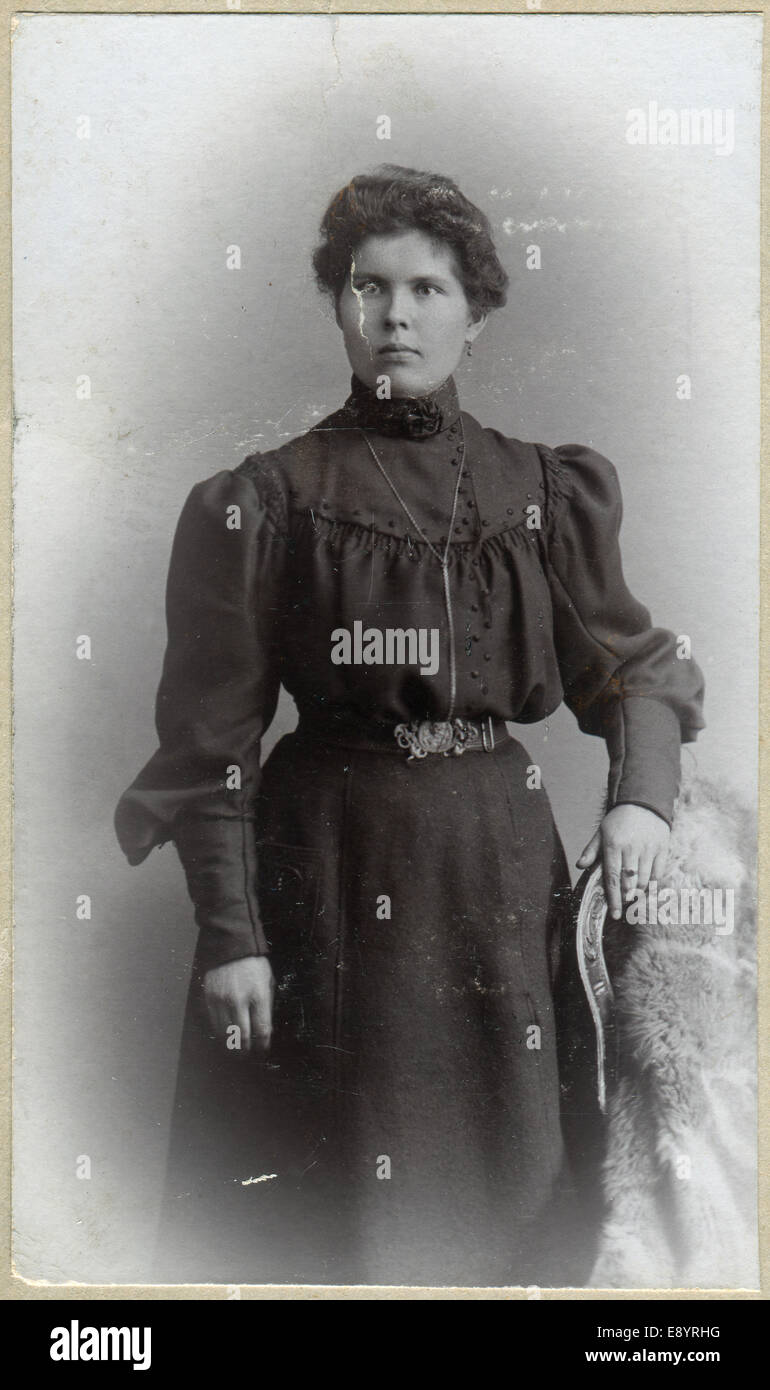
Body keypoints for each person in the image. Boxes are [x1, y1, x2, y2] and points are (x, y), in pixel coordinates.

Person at [115, 165, 705, 1288]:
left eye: (427, 289)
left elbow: (635, 670)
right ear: (338, 304)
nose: (395, 316)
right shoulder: (265, 500)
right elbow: (210, 743)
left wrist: (638, 796)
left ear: (474, 313)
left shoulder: (543, 492)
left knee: (509, 1194)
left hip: (491, 869)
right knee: (328, 1215)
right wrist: (232, 936)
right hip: (326, 871)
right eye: (368, 287)